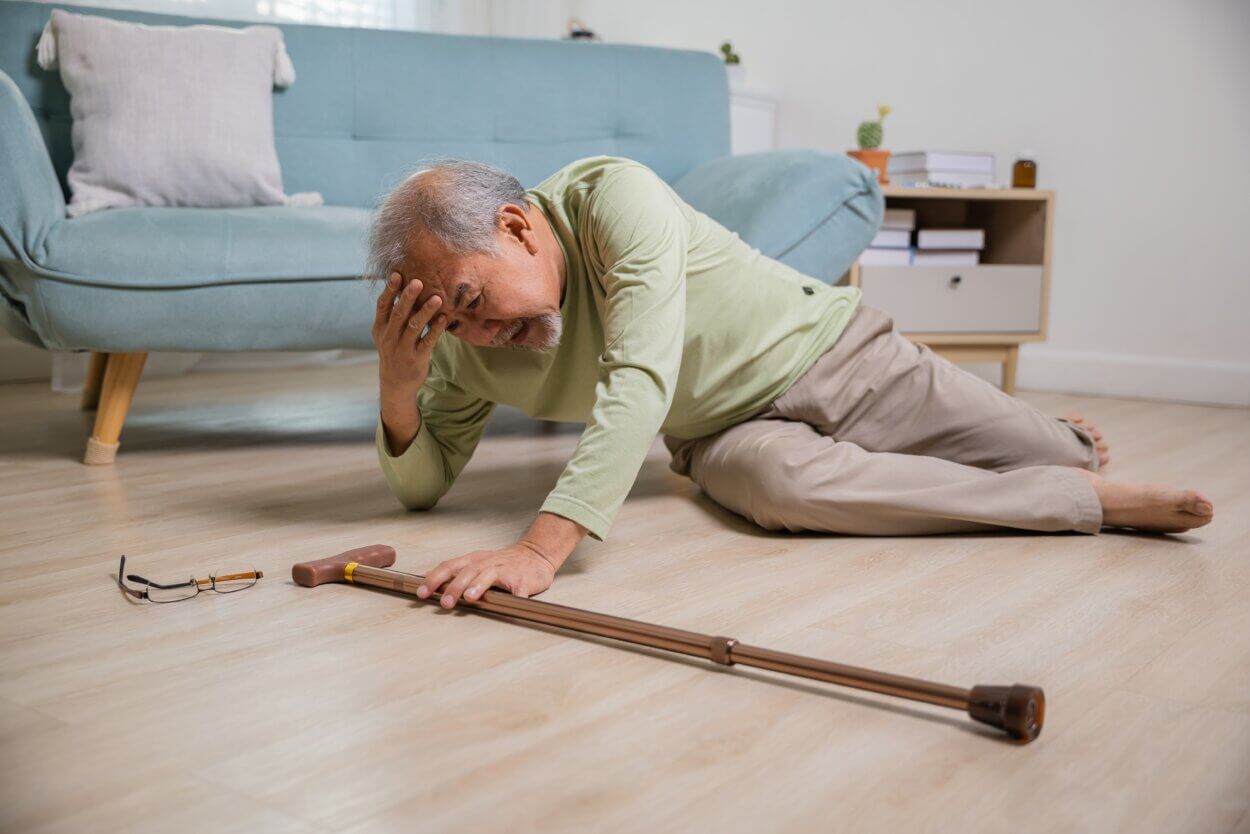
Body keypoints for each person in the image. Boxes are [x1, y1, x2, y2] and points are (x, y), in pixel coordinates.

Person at [365, 156, 1214, 609]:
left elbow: (640, 378)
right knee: (779, 488)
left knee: (1050, 446)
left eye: (474, 301)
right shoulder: (458, 342)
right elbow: (423, 487)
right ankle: (1083, 503)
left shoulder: (613, 199)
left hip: (838, 353)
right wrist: (401, 384)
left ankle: (1053, 448)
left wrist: (536, 550)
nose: (478, 334)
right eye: (450, 321)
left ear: (516, 227)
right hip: (720, 435)